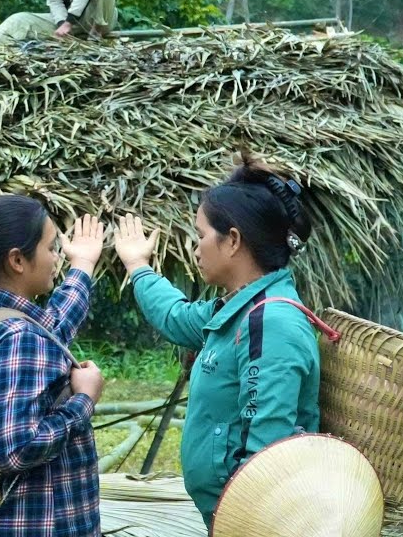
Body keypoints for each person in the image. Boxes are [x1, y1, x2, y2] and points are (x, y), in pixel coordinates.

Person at [110, 155, 322, 529]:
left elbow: (264, 456)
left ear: (233, 240)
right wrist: (138, 266)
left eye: (201, 235)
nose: (196, 248)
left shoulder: (270, 324)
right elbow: (177, 319)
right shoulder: (240, 309)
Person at [0, 195, 107, 537]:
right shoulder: (18, 337)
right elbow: (16, 449)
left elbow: (56, 324)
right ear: (18, 260)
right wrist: (83, 401)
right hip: (41, 524)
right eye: (51, 249)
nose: (57, 258)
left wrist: (83, 264)